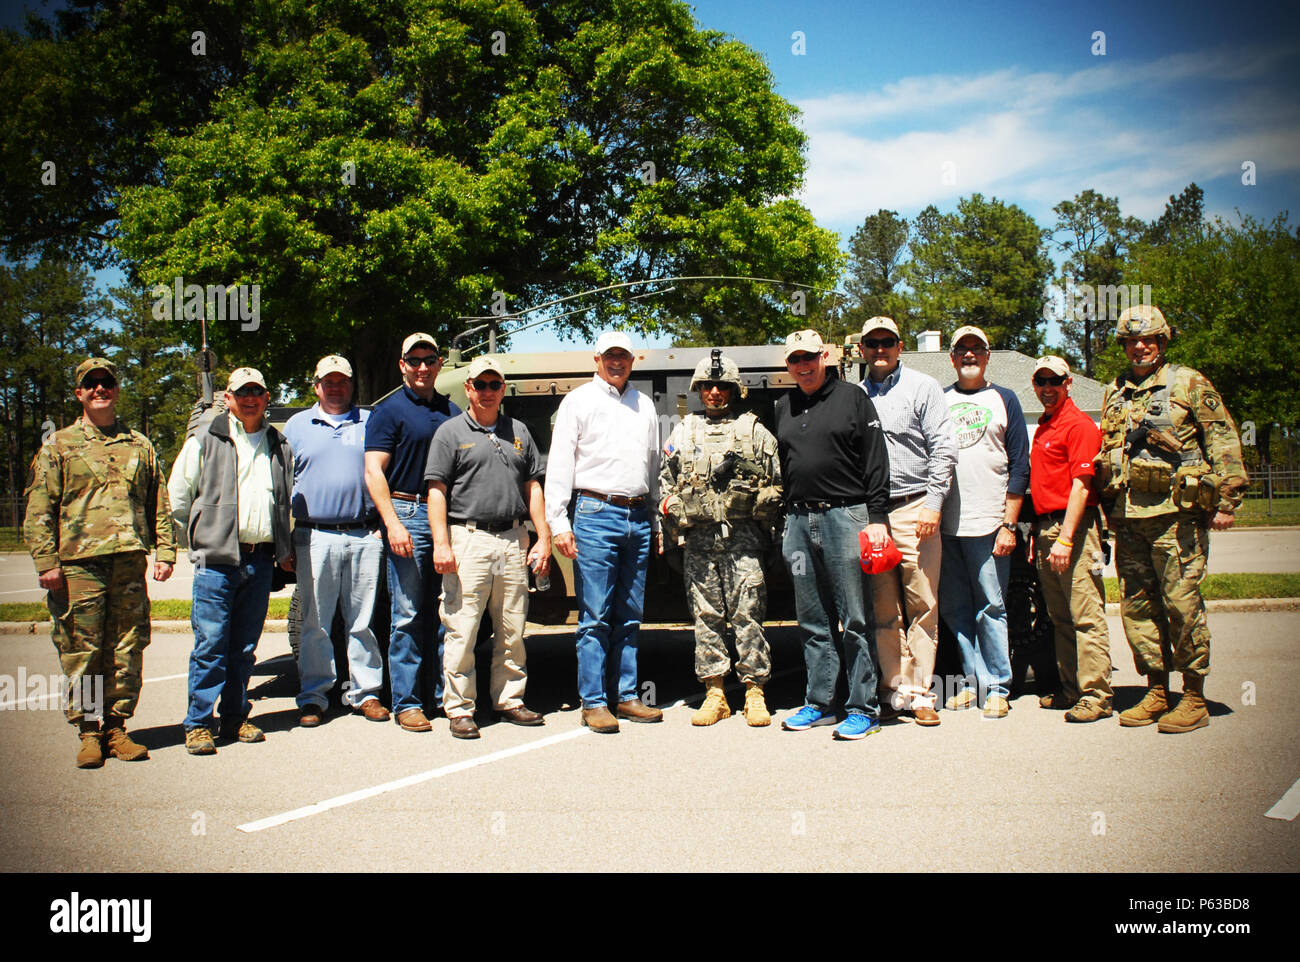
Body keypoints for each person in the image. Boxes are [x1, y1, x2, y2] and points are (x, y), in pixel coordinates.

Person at [1097, 304, 1248, 733]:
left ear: (1162, 342)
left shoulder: (1187, 382)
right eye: (1131, 340)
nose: (1139, 347)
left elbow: (1222, 439)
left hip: (1176, 518)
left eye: (1147, 340)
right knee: (1138, 609)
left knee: (1182, 606)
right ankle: (1157, 689)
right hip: (1128, 517)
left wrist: (1226, 501)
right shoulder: (1116, 390)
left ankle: (1194, 696)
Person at [23, 357, 176, 768]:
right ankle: (89, 731)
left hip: (128, 562)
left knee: (127, 646)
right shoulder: (59, 445)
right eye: (91, 384)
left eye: (106, 382)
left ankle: (116, 726)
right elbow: (40, 508)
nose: (99, 390)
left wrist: (165, 550)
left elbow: (157, 501)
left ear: (116, 389)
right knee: (82, 649)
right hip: (78, 565)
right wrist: (46, 562)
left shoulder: (138, 444)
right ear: (79, 393)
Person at [169, 367, 294, 754]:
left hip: (259, 561)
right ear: (228, 398)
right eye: (243, 392)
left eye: (257, 391)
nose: (250, 398)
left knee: (243, 647)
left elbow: (285, 499)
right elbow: (178, 496)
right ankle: (198, 724)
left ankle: (236, 717)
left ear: (266, 396)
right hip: (217, 561)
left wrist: (284, 549)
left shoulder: (278, 443)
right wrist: (200, 539)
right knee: (211, 644)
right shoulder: (206, 439)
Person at [775, 329, 892, 740]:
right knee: (811, 619)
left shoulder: (853, 399)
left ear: (823, 356)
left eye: (809, 357)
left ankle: (863, 708)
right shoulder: (783, 406)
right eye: (794, 360)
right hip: (799, 523)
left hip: (848, 517)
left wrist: (877, 515)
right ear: (787, 365)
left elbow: (876, 461)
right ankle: (820, 704)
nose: (803, 366)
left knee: (855, 619)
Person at [427, 356, 551, 738]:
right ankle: (461, 708)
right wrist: (441, 543)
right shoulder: (449, 433)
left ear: (503, 389)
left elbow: (533, 486)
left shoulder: (519, 431)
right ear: (468, 388)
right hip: (469, 538)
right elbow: (436, 491)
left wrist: (543, 535)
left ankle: (510, 699)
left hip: (514, 538)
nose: (487, 391)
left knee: (512, 627)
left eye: (494, 385)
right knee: (462, 627)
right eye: (480, 385)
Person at [545, 331, 662, 734]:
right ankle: (593, 702)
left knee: (630, 615)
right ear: (596, 358)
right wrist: (558, 522)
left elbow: (652, 468)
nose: (617, 362)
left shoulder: (644, 404)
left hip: (637, 516)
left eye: (624, 357)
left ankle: (627, 696)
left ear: (633, 361)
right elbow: (559, 464)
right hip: (594, 512)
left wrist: (654, 518)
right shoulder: (577, 401)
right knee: (594, 616)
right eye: (610, 356)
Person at [659, 352, 783, 727]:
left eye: (722, 386)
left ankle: (754, 691)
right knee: (706, 617)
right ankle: (715, 693)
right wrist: (671, 529)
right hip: (699, 542)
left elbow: (777, 485)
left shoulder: (755, 432)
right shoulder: (682, 432)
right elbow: (665, 485)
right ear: (698, 391)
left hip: (745, 541)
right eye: (708, 386)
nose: (714, 392)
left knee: (749, 616)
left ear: (734, 389)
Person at [858, 317, 958, 726]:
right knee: (883, 608)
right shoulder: (855, 395)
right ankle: (892, 689)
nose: (879, 350)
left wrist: (934, 504)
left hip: (916, 506)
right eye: (872, 343)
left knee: (922, 604)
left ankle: (920, 694)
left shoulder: (923, 387)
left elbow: (944, 449)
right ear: (861, 349)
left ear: (900, 346)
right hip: (874, 515)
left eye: (887, 342)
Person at [283, 355, 388, 728]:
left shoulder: (371, 421)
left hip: (364, 533)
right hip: (314, 536)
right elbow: (281, 484)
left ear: (350, 384)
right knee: (316, 623)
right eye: (328, 381)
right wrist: (286, 539)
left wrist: (381, 525)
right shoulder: (296, 426)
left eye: (342, 380)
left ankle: (367, 694)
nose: (335, 386)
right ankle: (314, 697)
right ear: (316, 386)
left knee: (363, 623)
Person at [364, 333, 461, 732]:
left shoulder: (452, 410)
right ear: (402, 364)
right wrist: (393, 522)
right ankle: (407, 703)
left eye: (430, 359)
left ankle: (442, 697)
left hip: (449, 516)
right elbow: (374, 471)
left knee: (447, 614)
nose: (423, 367)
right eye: (414, 360)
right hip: (408, 511)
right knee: (407, 614)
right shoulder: (387, 411)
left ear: (439, 364)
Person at [939, 327, 1029, 719]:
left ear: (988, 356)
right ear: (952, 357)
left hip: (991, 522)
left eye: (977, 349)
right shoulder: (939, 400)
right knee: (956, 608)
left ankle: (997, 687)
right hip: (946, 525)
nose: (970, 355)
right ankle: (972, 682)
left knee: (991, 606)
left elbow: (1020, 466)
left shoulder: (1004, 398)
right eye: (963, 350)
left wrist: (1010, 524)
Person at [1028, 356, 1112, 723]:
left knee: (1085, 615)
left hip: (1073, 529)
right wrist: (1039, 533)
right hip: (1047, 527)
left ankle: (1096, 695)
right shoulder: (1045, 426)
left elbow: (1081, 486)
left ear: (1068, 383)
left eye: (1055, 381)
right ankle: (1071, 689)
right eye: (1041, 381)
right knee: (1060, 617)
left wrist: (1064, 539)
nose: (1048, 388)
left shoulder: (1078, 425)